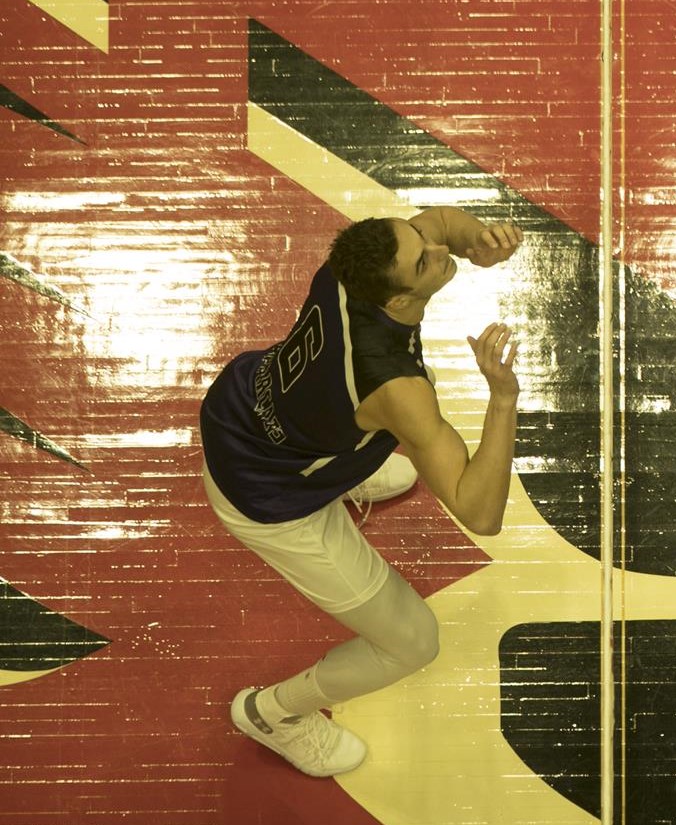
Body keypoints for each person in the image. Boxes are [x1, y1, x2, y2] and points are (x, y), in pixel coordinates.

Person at [198, 207, 524, 776]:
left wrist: (478, 241)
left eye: (421, 239)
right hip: (267, 496)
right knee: (415, 642)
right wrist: (501, 398)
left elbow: (442, 225)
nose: (437, 250)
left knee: (383, 444)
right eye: (425, 259)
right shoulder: (396, 388)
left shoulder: (358, 265)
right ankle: (273, 713)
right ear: (398, 303)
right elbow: (480, 511)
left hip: (243, 406)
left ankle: (342, 470)